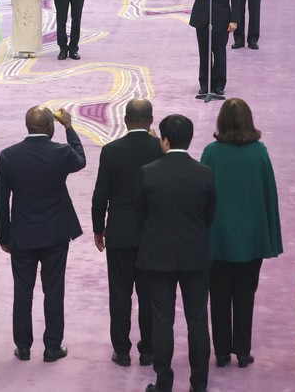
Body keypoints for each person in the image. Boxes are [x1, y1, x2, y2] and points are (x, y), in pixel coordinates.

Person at [0, 106, 86, 362]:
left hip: (22, 234)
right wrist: (69, 127)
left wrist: (4, 235)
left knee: (22, 291)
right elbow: (81, 159)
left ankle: (23, 347)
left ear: (27, 126)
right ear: (50, 127)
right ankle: (52, 347)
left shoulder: (9, 155)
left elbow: (2, 200)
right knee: (54, 290)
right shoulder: (61, 152)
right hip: (55, 232)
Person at [200, 98, 282, 369]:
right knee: (246, 294)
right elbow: (269, 194)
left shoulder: (211, 152)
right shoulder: (259, 152)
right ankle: (243, 351)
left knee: (218, 294)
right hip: (251, 238)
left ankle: (221, 351)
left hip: (217, 238)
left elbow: (202, 196)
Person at [136, 114, 215, 392]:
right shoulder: (205, 173)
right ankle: (199, 384)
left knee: (162, 321)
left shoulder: (148, 172)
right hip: (195, 255)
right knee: (197, 321)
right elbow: (209, 215)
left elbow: (140, 216)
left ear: (165, 140)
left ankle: (163, 383)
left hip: (158, 257)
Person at [91, 98, 162, 367]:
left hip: (119, 233)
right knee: (149, 294)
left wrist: (99, 228)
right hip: (151, 234)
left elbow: (101, 195)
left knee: (120, 295)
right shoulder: (160, 149)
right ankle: (148, 350)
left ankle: (121, 350)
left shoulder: (110, 151)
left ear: (124, 119)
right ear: (151, 120)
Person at [182, 0, 239, 96]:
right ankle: (205, 84)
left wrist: (234, 20)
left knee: (219, 52)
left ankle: (219, 84)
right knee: (204, 53)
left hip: (221, 20)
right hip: (202, 19)